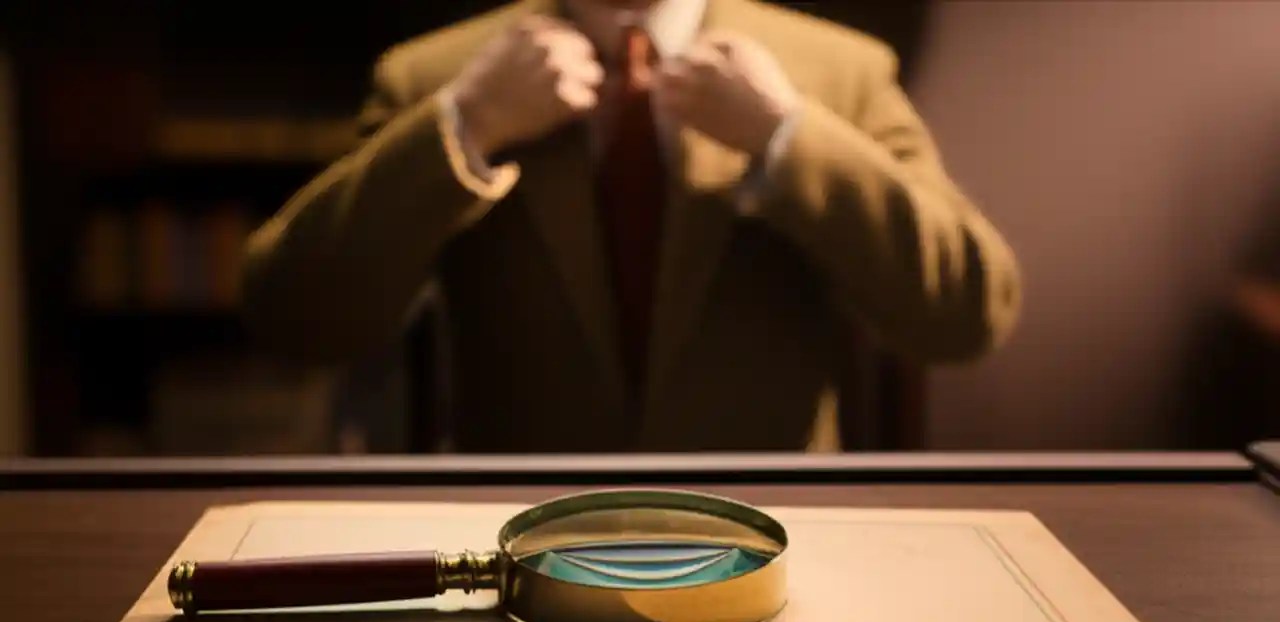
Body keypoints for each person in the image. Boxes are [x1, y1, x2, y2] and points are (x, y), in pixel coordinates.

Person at [241, 0, 1022, 453]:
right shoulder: (433, 77)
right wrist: (467, 123)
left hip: (782, 547)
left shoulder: (840, 72)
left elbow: (966, 315)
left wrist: (790, 137)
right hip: (519, 553)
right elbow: (292, 317)